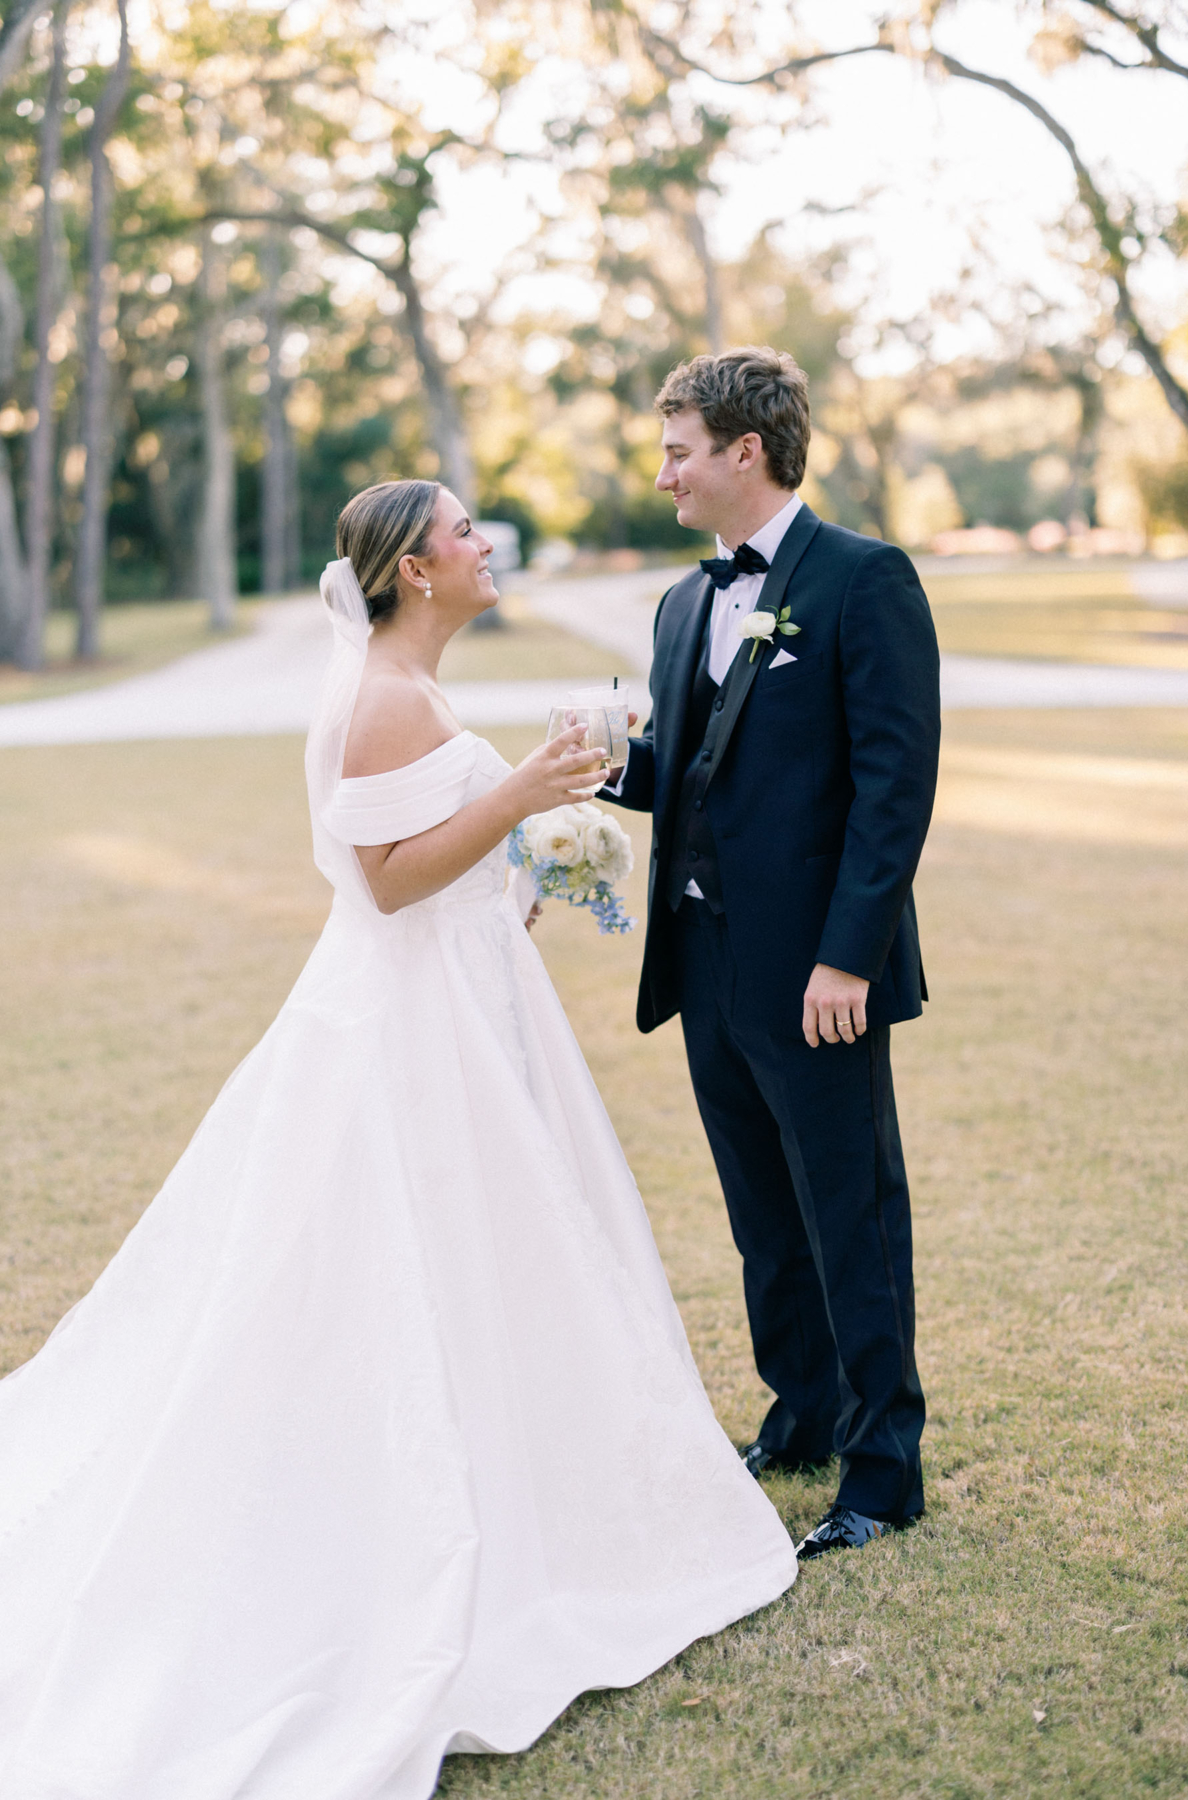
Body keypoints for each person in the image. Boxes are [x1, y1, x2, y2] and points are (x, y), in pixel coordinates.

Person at [0, 479, 797, 1798]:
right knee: (401, 1264)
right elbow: (383, 883)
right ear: (414, 571)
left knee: (491, 1255)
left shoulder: (410, 692)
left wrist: (534, 864)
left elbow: (439, 864)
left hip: (462, 1002)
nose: (487, 547)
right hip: (398, 1034)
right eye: (468, 533)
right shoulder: (379, 696)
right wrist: (530, 791)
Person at [603, 347, 940, 1558]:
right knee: (761, 1211)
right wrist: (595, 762)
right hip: (704, 961)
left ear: (748, 450)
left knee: (849, 1208)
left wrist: (848, 955)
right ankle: (799, 1413)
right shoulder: (683, 603)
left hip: (819, 974)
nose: (665, 473)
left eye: (680, 450)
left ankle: (882, 1466)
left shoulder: (864, 579)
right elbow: (686, 772)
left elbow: (895, 787)